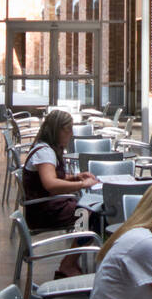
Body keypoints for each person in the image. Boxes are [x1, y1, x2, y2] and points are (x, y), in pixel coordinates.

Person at [21, 109, 100, 276]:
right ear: (56, 130)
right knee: (90, 214)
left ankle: (71, 260)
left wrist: (74, 177)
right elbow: (50, 184)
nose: (71, 134)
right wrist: (81, 183)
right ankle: (68, 264)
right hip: (44, 211)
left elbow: (53, 177)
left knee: (89, 211)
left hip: (48, 206)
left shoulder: (45, 149)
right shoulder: (45, 152)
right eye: (68, 129)